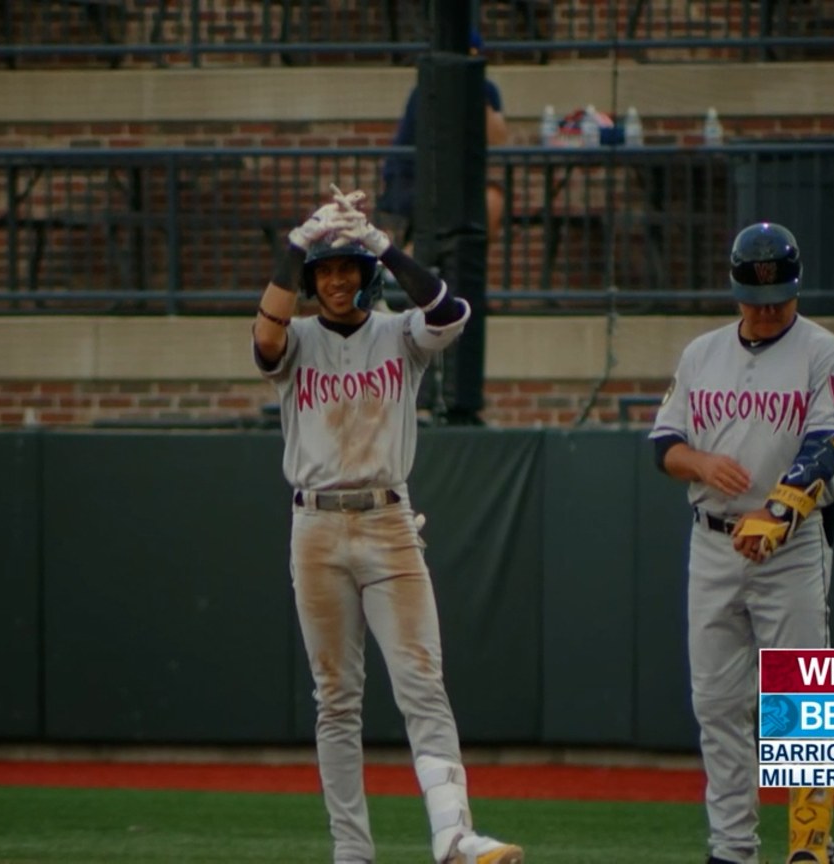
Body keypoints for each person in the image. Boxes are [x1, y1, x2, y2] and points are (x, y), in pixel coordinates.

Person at [250, 185, 525, 864]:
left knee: (421, 685)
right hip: (316, 524)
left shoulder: (399, 331)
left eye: (348, 269)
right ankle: (353, 853)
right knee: (336, 700)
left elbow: (451, 310)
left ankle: (452, 835)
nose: (337, 280)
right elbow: (265, 338)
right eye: (326, 271)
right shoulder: (301, 335)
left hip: (387, 520)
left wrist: (380, 244)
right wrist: (296, 247)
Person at [648, 222, 834, 864]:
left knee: (803, 698)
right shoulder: (701, 353)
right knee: (716, 704)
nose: (767, 310)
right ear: (736, 289)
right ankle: (732, 849)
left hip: (789, 548)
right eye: (756, 298)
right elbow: (664, 445)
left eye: (779, 299)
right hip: (711, 541)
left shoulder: (825, 351)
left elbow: (832, 441)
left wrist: (780, 507)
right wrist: (701, 462)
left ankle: (810, 846)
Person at [377, 31, 508, 250]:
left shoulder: (486, 90)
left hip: (456, 182)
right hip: (412, 178)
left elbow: (499, 138)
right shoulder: (428, 89)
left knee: (491, 201)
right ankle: (406, 269)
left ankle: (458, 268)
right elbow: (438, 142)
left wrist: (476, 90)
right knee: (439, 225)